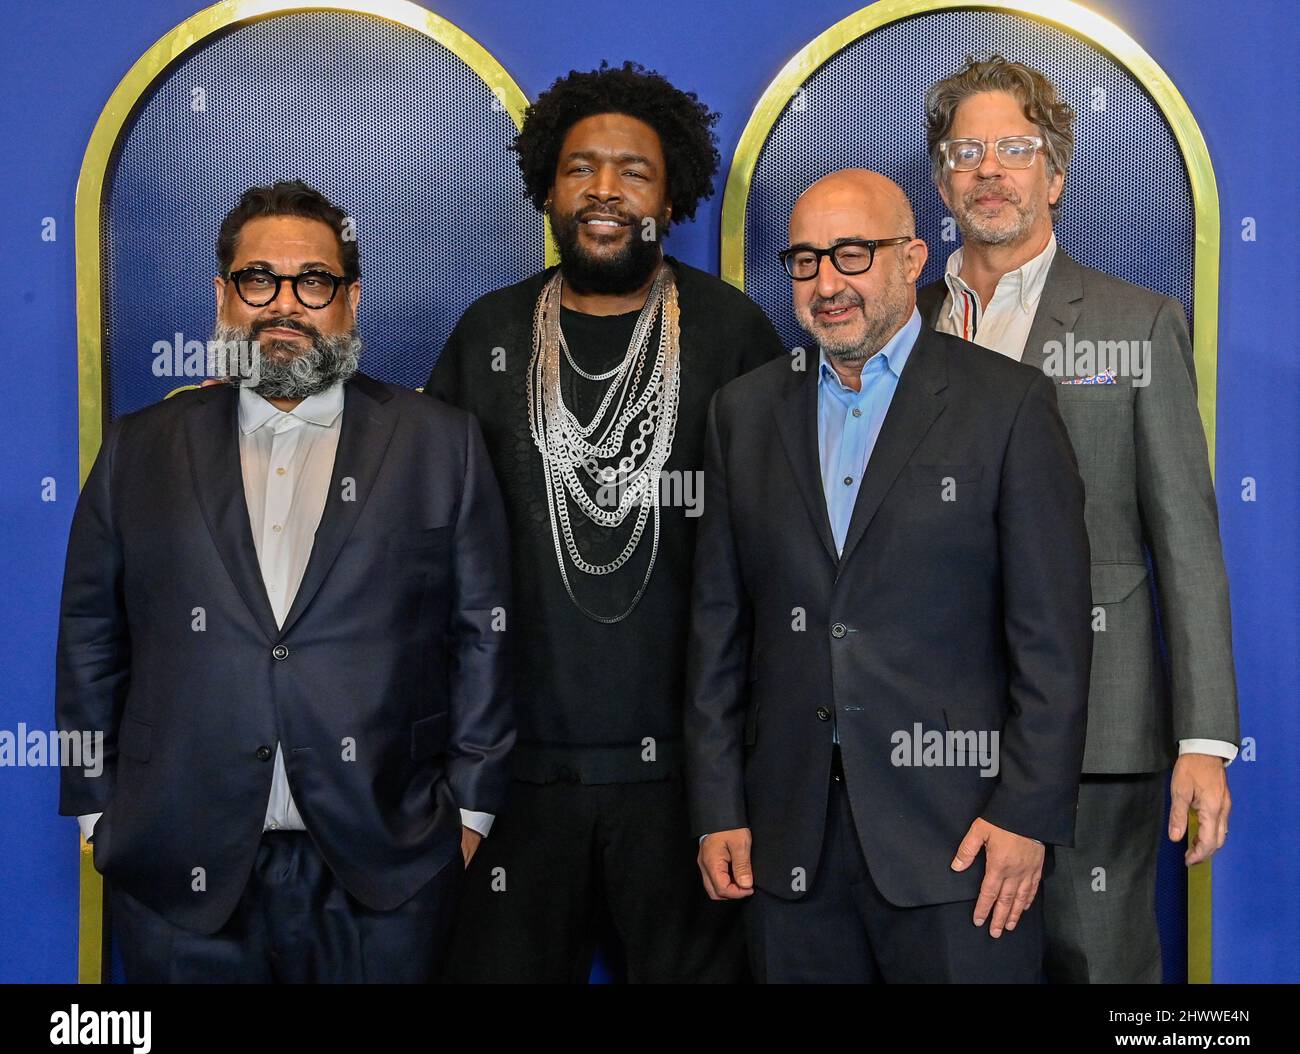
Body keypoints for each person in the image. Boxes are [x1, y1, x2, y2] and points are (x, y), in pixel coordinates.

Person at [56, 180, 513, 983]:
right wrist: (99, 811)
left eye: (314, 282)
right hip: (178, 868)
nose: (284, 306)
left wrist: (468, 813)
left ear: (350, 299)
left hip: (385, 868)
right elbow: (91, 636)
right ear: (224, 295)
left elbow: (486, 633)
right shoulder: (141, 449)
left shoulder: (440, 444)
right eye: (258, 279)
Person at [426, 61, 786, 982]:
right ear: (548, 184)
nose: (605, 191)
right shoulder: (490, 334)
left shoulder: (735, 335)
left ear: (672, 198)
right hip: (512, 781)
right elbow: (421, 534)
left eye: (634, 171)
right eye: (582, 167)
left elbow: (782, 553)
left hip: (685, 787)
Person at [686, 169, 1093, 983]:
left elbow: (1053, 636)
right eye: (804, 261)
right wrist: (717, 809)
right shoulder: (745, 412)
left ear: (912, 258)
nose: (826, 283)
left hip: (961, 843)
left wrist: (1025, 814)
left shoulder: (1007, 405)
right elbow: (718, 631)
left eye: (850, 255)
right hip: (787, 840)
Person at [917, 56, 1239, 983]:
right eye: (966, 150)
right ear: (942, 180)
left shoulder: (1136, 326)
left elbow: (1186, 536)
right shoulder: (904, 320)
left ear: (1055, 176)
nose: (989, 169)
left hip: (1102, 726)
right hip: (931, 732)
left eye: (1015, 149)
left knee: (1098, 968)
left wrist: (1204, 740)